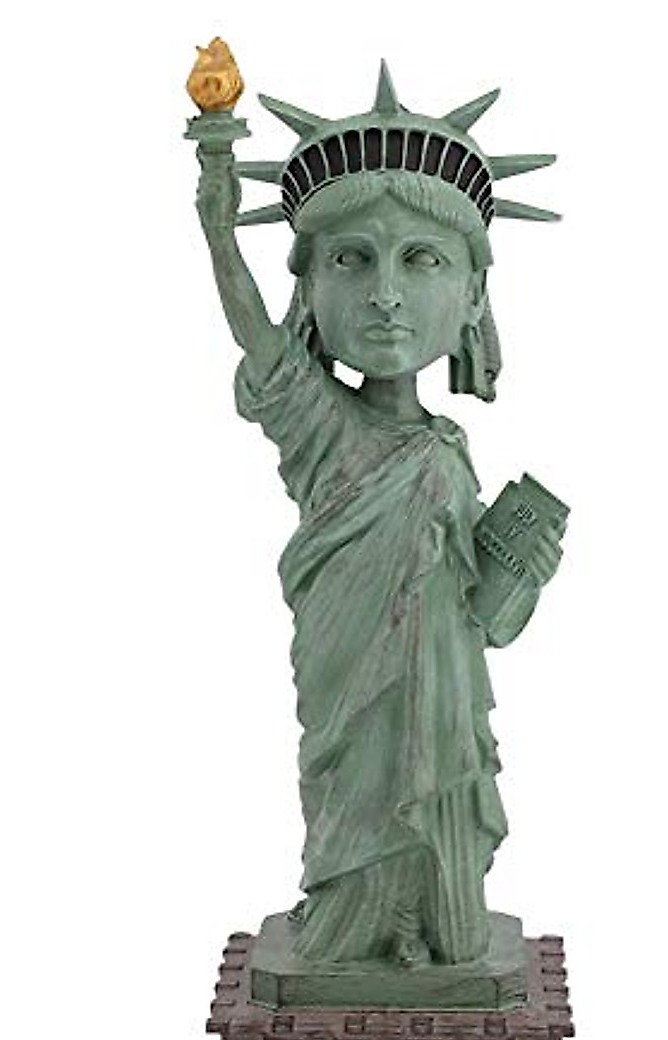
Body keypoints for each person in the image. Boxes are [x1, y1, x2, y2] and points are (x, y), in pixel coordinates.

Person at [194, 89, 564, 969]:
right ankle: (354, 924)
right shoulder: (321, 425)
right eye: (352, 260)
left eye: (422, 260)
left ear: (473, 294)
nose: (387, 296)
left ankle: (431, 921)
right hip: (347, 674)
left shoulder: (446, 447)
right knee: (352, 783)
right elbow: (257, 339)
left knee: (452, 901)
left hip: (442, 695)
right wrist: (217, 227)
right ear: (310, 288)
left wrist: (521, 570)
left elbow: (479, 612)